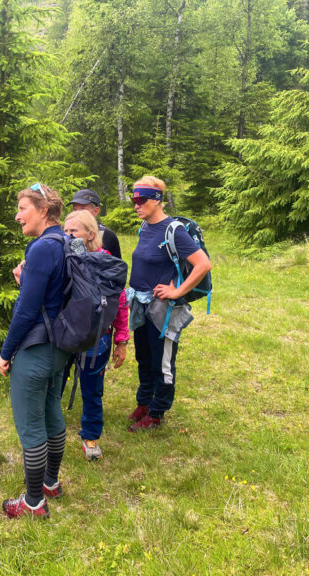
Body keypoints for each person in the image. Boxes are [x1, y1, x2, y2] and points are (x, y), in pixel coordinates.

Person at [0, 183, 70, 519]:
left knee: (31, 425)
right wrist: (25, 281)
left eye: (22, 208)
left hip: (37, 348)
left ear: (43, 210)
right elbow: (52, 296)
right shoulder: (66, 241)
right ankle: (50, 483)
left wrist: (6, 353)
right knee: (52, 410)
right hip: (61, 347)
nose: (17, 216)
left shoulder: (41, 248)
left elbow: (26, 311)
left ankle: (33, 503)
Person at [126, 176, 211, 431]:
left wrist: (177, 291)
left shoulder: (173, 230)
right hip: (141, 304)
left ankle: (156, 413)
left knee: (161, 362)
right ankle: (144, 403)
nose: (136, 205)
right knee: (143, 357)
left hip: (161, 309)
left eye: (141, 200)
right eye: (133, 200)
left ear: (157, 200)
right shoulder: (145, 227)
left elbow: (203, 264)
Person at [62, 210, 129, 460]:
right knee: (55, 383)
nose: (68, 236)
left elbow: (120, 303)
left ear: (91, 234)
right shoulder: (62, 258)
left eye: (74, 231)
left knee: (92, 390)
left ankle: (90, 437)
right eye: (65, 231)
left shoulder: (107, 263)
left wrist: (121, 341)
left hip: (96, 338)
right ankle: (48, 431)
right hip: (65, 335)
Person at [70, 188, 121, 259]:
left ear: (96, 211)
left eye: (82, 209)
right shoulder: (68, 233)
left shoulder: (107, 236)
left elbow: (117, 265)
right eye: (75, 210)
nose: (77, 214)